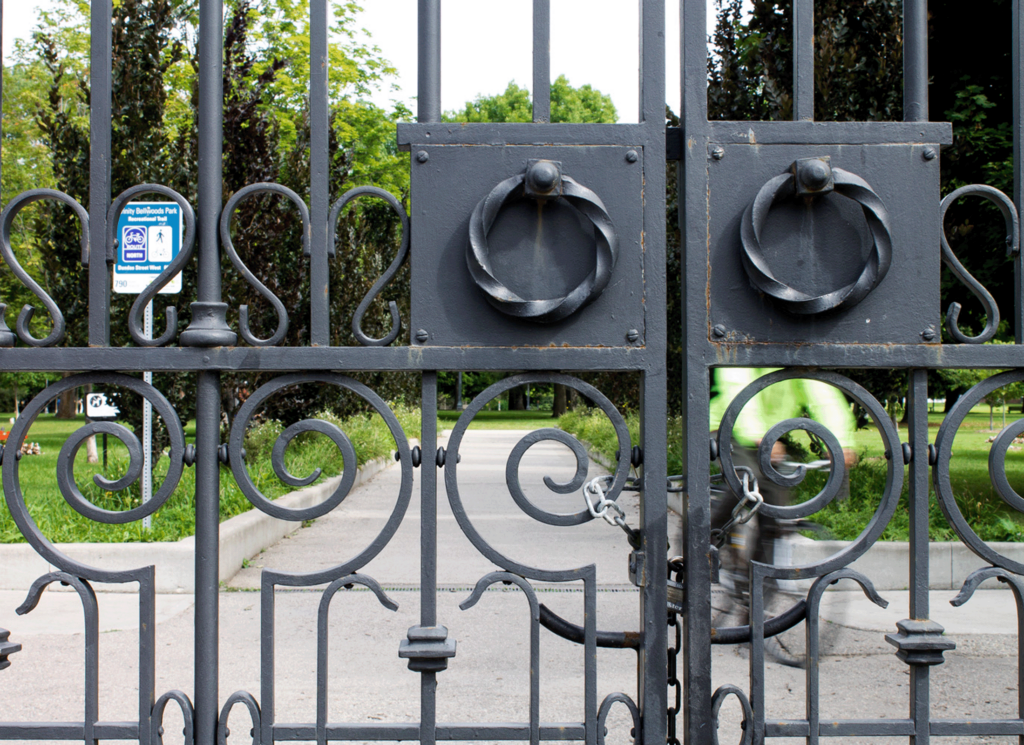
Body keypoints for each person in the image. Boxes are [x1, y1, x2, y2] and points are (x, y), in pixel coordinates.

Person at [708, 368, 858, 573]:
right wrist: (759, 434)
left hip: (767, 438)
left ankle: (756, 584)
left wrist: (840, 442)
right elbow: (737, 383)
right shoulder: (753, 341)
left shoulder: (796, 355)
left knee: (775, 509)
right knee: (746, 480)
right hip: (728, 427)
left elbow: (822, 395)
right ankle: (702, 541)